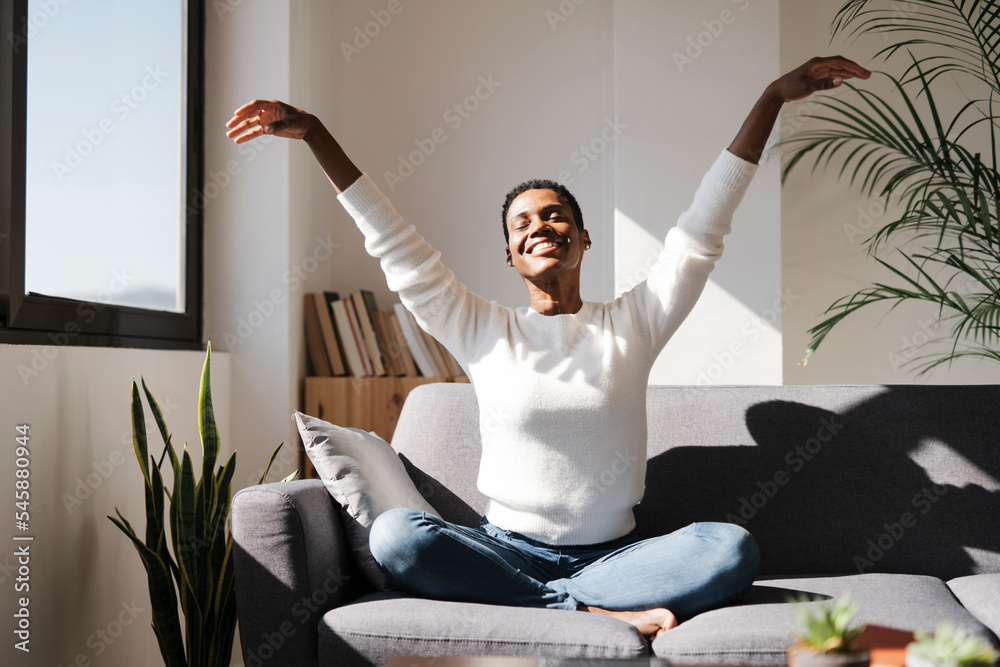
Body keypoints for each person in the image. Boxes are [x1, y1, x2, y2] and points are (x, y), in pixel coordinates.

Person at [227, 55, 871, 641]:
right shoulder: (480, 329)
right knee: (398, 536)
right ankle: (583, 614)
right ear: (509, 253)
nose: (541, 226)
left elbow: (702, 229)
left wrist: (770, 98)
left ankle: (546, 604)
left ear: (584, 239)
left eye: (557, 215)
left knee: (730, 548)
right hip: (504, 548)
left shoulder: (634, 323)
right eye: (523, 223)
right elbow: (396, 247)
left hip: (615, 559)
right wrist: (316, 135)